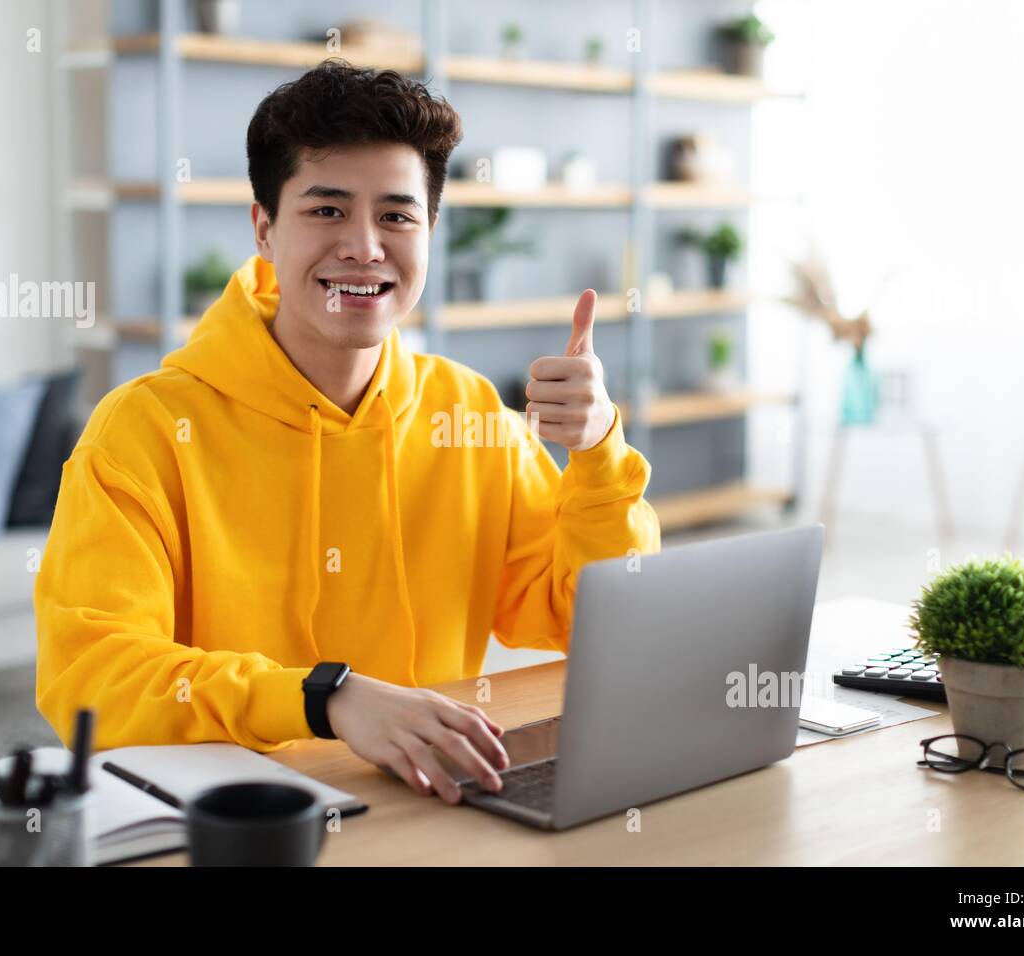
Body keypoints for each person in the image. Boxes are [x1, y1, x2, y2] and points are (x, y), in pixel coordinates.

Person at [34, 60, 660, 805]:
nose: (364, 246)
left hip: (430, 799)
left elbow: (592, 623)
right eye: (327, 211)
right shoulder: (143, 429)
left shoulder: (469, 413)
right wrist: (322, 698)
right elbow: (92, 679)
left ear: (430, 231)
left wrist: (597, 455)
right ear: (264, 229)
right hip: (236, 822)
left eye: (396, 215)